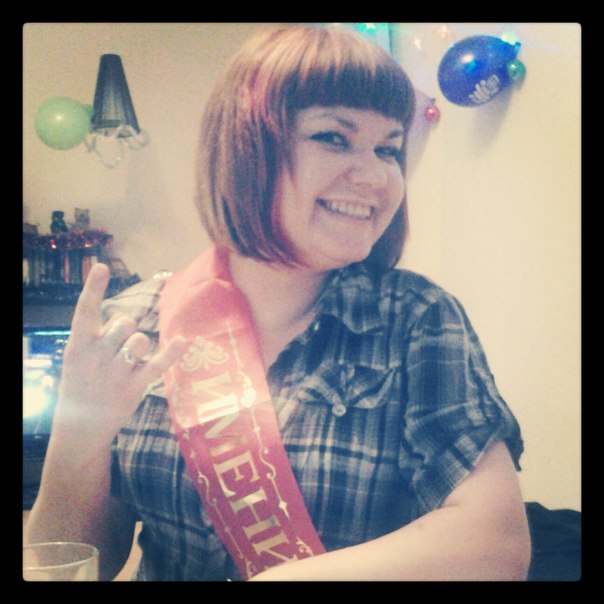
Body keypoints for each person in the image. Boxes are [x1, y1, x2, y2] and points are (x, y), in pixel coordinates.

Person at [25, 25, 531, 581]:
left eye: (388, 149)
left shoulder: (419, 321)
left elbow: (495, 544)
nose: (375, 176)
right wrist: (78, 434)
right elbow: (73, 561)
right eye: (334, 138)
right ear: (246, 149)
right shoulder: (137, 323)